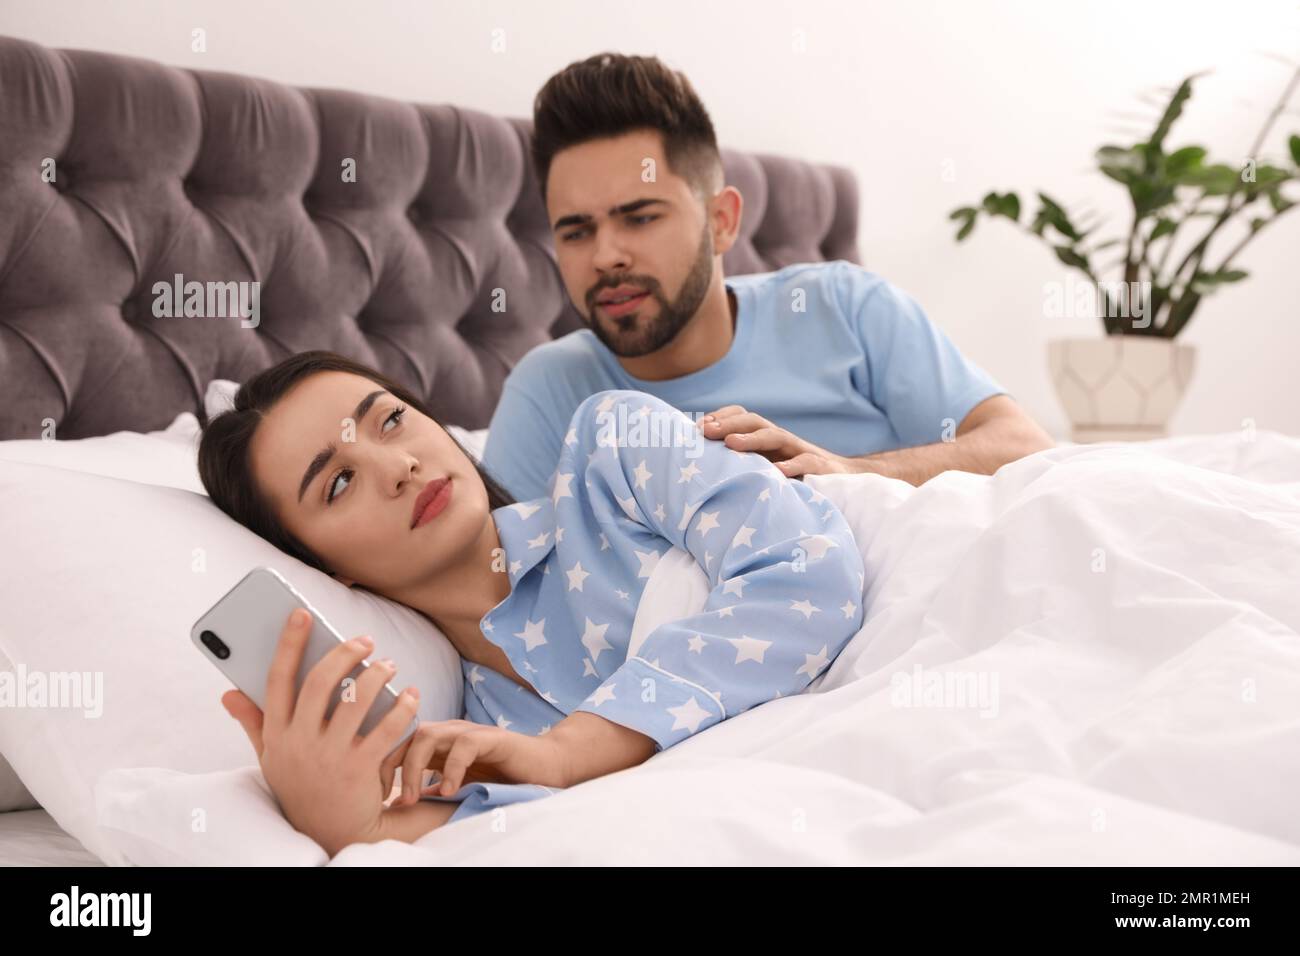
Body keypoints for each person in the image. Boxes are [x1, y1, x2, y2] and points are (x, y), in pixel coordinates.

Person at [197, 350, 864, 855]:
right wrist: (348, 827)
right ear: (318, 567)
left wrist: (569, 753)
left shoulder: (613, 456)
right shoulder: (471, 734)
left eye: (392, 420)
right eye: (340, 482)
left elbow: (809, 572)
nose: (397, 466)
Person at [481, 53, 1055, 503]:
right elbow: (503, 594)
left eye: (640, 217)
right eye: (576, 231)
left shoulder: (844, 307)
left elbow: (1022, 446)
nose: (606, 256)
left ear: (722, 221)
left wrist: (844, 475)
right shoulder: (549, 393)